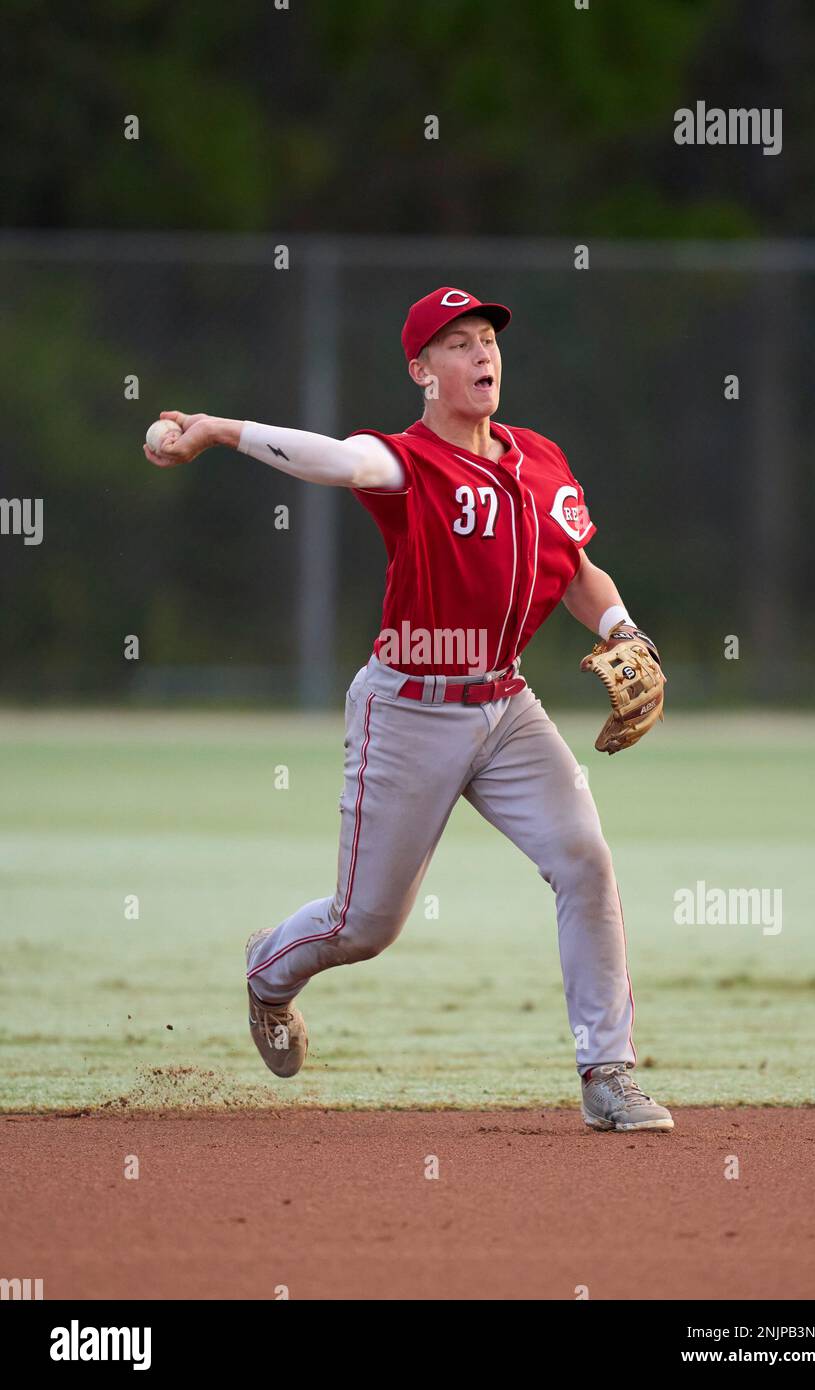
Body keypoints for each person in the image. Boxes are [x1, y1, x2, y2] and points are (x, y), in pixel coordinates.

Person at [145, 285, 673, 1133]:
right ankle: (268, 975)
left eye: (488, 340)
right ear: (422, 371)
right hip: (409, 712)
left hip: (506, 703)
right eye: (458, 344)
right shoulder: (405, 462)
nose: (482, 355)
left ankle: (607, 1074)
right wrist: (217, 429)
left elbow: (575, 571)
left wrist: (625, 627)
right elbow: (336, 460)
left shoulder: (539, 459)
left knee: (585, 861)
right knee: (366, 925)